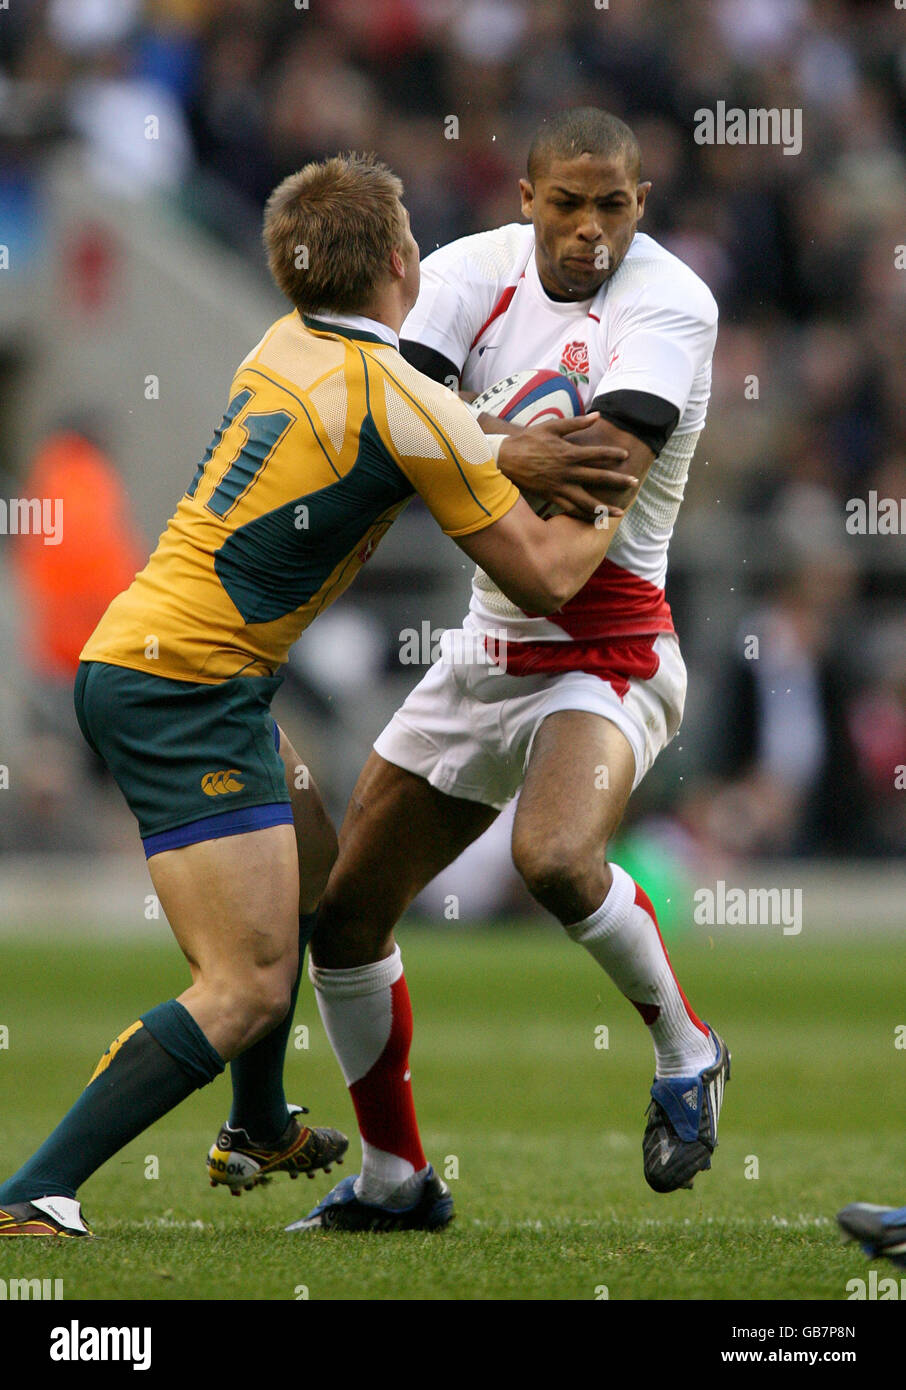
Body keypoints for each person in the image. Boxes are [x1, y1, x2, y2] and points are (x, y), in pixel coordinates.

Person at [0, 151, 635, 1238]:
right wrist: (638, 491)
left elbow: (411, 425)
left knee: (311, 861)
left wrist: (500, 441)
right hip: (184, 688)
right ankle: (30, 1195)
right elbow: (541, 574)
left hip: (164, 660)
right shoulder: (407, 402)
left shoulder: (285, 338)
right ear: (402, 262)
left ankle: (257, 1126)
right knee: (245, 981)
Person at [286, 108, 729, 1233]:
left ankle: (689, 1051)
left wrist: (466, 439)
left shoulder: (672, 303)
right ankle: (397, 1181)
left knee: (554, 857)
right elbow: (376, 431)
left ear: (642, 204)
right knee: (343, 921)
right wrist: (495, 446)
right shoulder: (462, 273)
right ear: (525, 196)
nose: (590, 231)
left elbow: (588, 485)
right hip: (488, 640)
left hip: (612, 636)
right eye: (568, 203)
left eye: (613, 206)